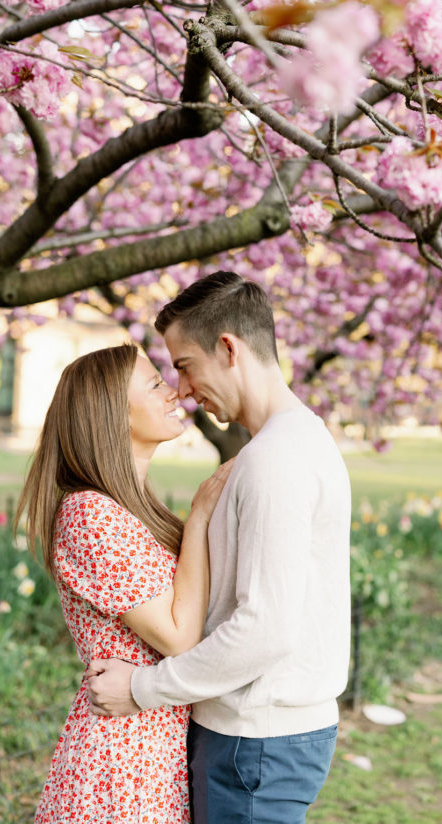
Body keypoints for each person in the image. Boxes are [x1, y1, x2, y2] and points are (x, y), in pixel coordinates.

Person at [88, 272, 352, 824]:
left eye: (183, 365)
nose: (180, 389)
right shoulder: (296, 440)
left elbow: (264, 629)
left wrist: (141, 687)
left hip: (253, 741)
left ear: (228, 348)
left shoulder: (274, 460)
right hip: (264, 735)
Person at [16, 344, 232, 824]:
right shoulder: (90, 514)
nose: (173, 391)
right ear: (112, 412)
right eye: (154, 383)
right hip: (121, 762)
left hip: (152, 751)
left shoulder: (130, 509)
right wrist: (198, 519)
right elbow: (178, 637)